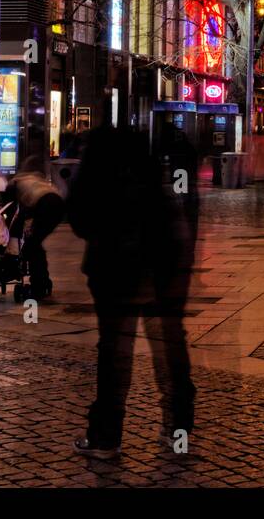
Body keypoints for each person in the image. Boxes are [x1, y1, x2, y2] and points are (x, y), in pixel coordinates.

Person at [67, 119, 197, 460]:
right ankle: (178, 430)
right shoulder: (149, 169)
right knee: (169, 350)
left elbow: (79, 218)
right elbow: (177, 219)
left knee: (114, 352)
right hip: (162, 271)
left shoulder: (96, 169)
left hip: (115, 273)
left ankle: (106, 436)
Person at [7, 154, 64, 292]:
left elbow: (18, 215)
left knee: (31, 246)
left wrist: (12, 234)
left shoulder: (15, 184)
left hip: (46, 205)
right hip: (57, 205)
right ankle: (43, 281)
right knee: (34, 243)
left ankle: (39, 284)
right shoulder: (33, 179)